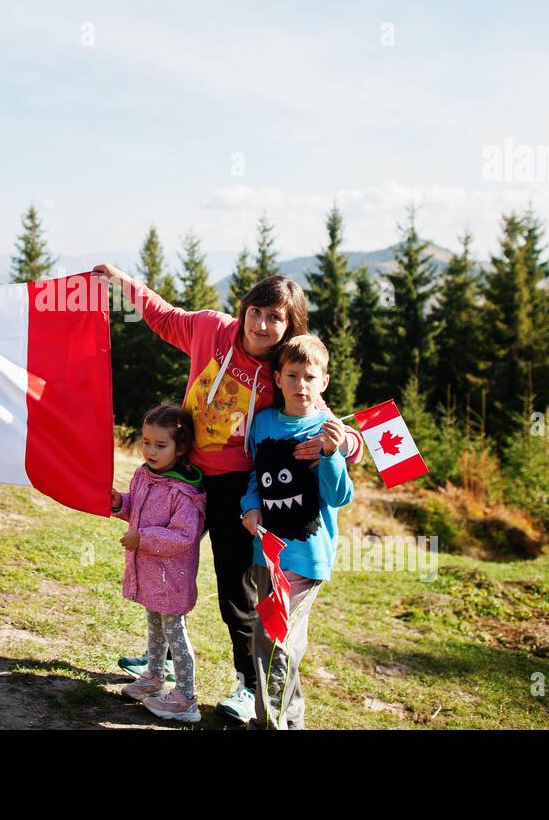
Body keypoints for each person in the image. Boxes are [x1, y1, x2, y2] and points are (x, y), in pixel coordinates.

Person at [92, 264, 363, 722]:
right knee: (162, 564)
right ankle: (162, 659)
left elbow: (326, 419)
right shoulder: (210, 330)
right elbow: (161, 315)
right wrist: (123, 284)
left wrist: (349, 446)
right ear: (243, 310)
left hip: (237, 490)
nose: (261, 325)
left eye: (275, 318)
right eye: (255, 311)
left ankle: (247, 682)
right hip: (185, 471)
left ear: (290, 326)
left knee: (234, 589)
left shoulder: (282, 373)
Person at [240, 333, 353, 729]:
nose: (300, 384)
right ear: (277, 378)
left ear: (324, 382)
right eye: (292, 375)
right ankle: (292, 719)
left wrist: (330, 454)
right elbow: (258, 477)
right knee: (274, 641)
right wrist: (250, 507)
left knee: (274, 641)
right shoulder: (264, 422)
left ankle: (268, 724)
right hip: (266, 554)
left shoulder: (328, 429)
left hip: (306, 557)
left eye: (310, 376)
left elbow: (339, 496)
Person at [111, 404, 205, 724]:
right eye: (146, 442)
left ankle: (186, 696)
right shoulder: (144, 474)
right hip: (152, 573)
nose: (150, 450)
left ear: (180, 448)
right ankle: (153, 675)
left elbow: (183, 536)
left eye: (160, 445)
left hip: (172, 575)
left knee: (174, 630)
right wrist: (119, 503)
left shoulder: (184, 491)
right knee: (153, 623)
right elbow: (135, 508)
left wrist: (143, 539)